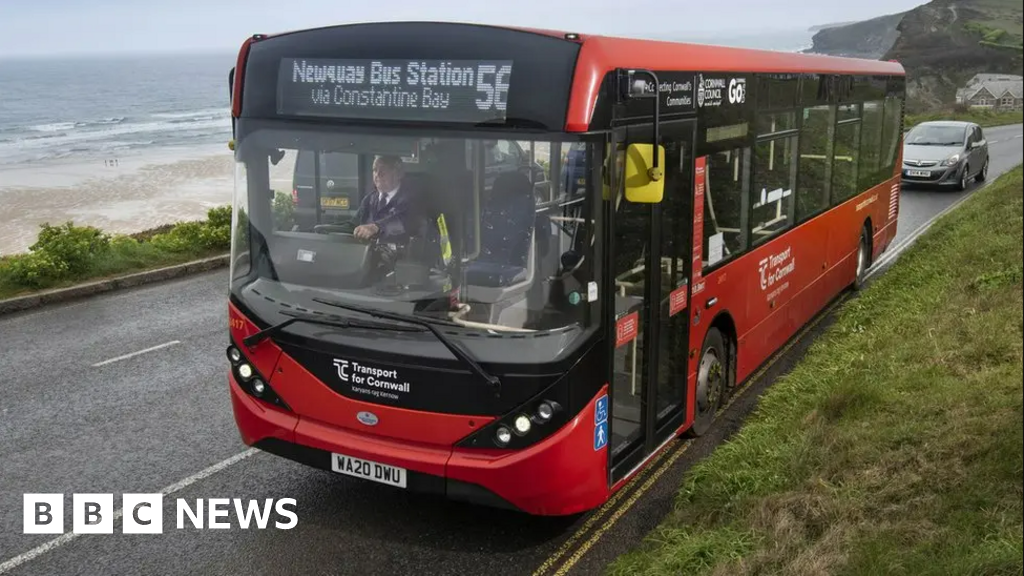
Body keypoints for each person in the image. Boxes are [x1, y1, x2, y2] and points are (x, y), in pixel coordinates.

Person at [352, 155, 425, 244]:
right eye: (375, 170)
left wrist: (376, 227)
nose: (377, 174)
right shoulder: (369, 199)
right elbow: (354, 225)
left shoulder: (412, 199)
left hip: (400, 256)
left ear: (398, 174)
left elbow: (402, 222)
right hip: (368, 255)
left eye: (383, 171)